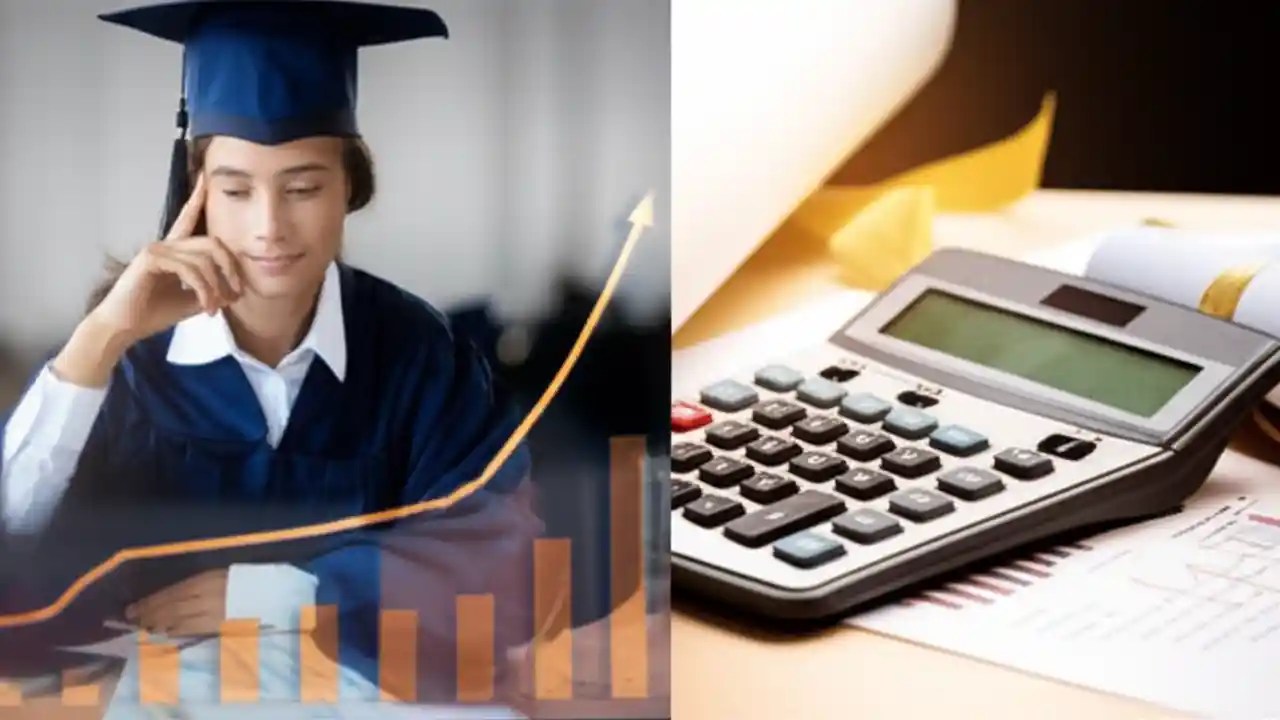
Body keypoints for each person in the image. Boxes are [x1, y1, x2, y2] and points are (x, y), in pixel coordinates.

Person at [0, 0, 544, 713]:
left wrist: (282, 592)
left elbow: (506, 562)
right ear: (194, 194)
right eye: (235, 189)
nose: (269, 227)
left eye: (304, 187)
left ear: (350, 187)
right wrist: (100, 338)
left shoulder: (420, 354)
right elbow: (16, 551)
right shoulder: (126, 364)